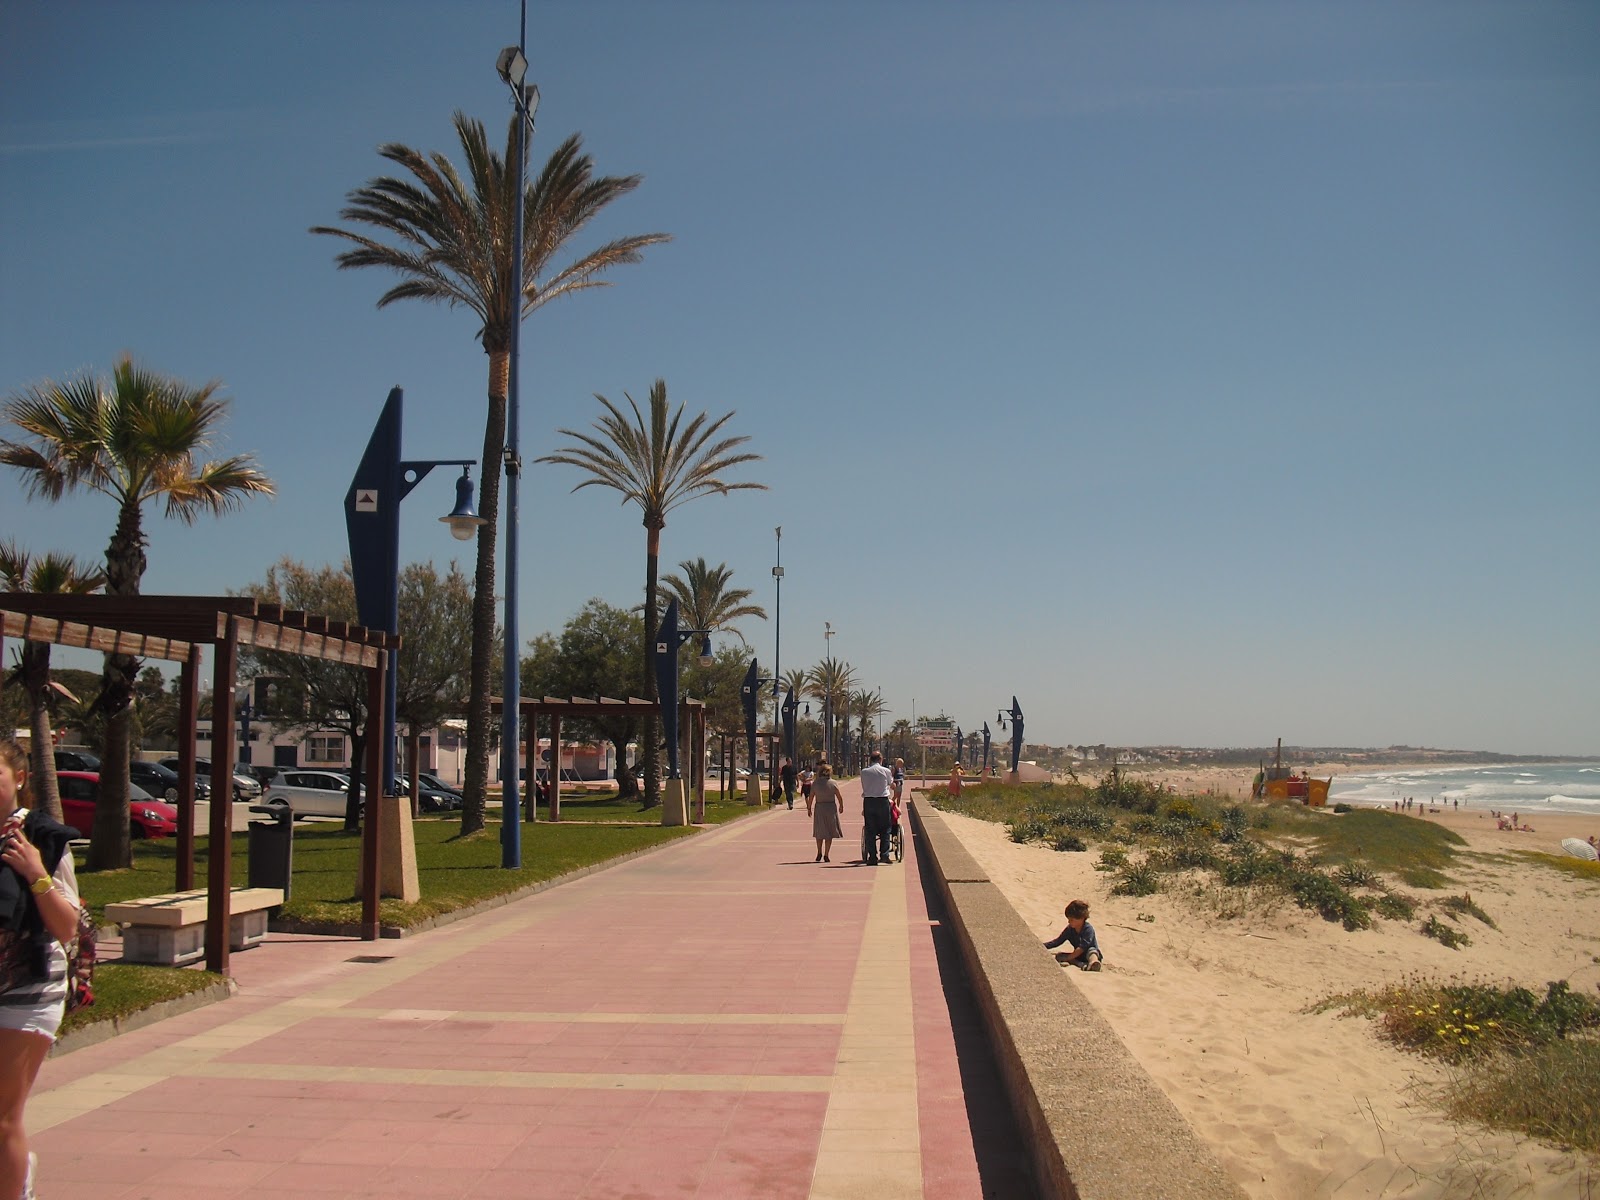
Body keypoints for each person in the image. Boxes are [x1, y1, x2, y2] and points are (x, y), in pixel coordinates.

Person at [1, 735, 85, 1200]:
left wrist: (35, 874)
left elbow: (67, 926)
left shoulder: (44, 838)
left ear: (19, 778)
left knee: (2, 1116)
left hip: (28, 985)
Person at [1044, 898, 1103, 971]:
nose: (1069, 922)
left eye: (1072, 920)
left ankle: (1093, 963)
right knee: (1059, 956)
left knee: (1092, 951)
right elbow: (1058, 941)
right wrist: (1042, 945)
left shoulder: (1088, 929)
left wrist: (1069, 957)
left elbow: (1082, 948)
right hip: (1078, 956)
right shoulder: (1070, 929)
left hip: (1090, 954)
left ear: (1081, 918)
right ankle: (1082, 965)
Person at [859, 751, 895, 865]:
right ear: (880, 759)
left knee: (870, 829)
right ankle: (884, 855)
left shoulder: (864, 772)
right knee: (885, 828)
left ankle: (872, 857)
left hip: (869, 801)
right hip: (882, 800)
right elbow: (891, 783)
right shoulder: (885, 770)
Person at [811, 763, 844, 863]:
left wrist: (809, 808)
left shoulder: (816, 783)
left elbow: (811, 796)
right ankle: (826, 854)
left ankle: (819, 852)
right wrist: (841, 806)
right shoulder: (833, 783)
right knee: (829, 832)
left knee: (819, 831)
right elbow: (839, 796)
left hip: (819, 807)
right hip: (830, 808)